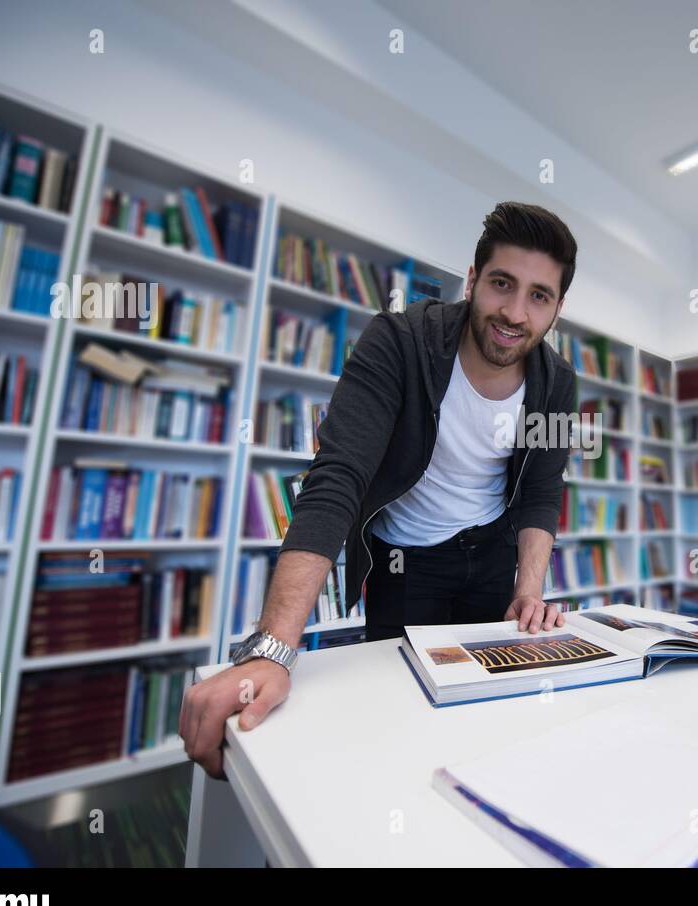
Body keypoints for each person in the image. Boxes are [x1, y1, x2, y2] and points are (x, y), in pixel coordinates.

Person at [181, 202, 580, 777]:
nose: (515, 313)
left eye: (539, 296)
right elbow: (339, 475)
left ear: (557, 307)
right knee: (405, 721)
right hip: (404, 564)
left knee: (491, 720)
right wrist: (273, 650)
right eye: (501, 284)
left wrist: (530, 589)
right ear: (471, 280)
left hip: (493, 557)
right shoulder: (399, 341)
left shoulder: (558, 383)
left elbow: (542, 490)